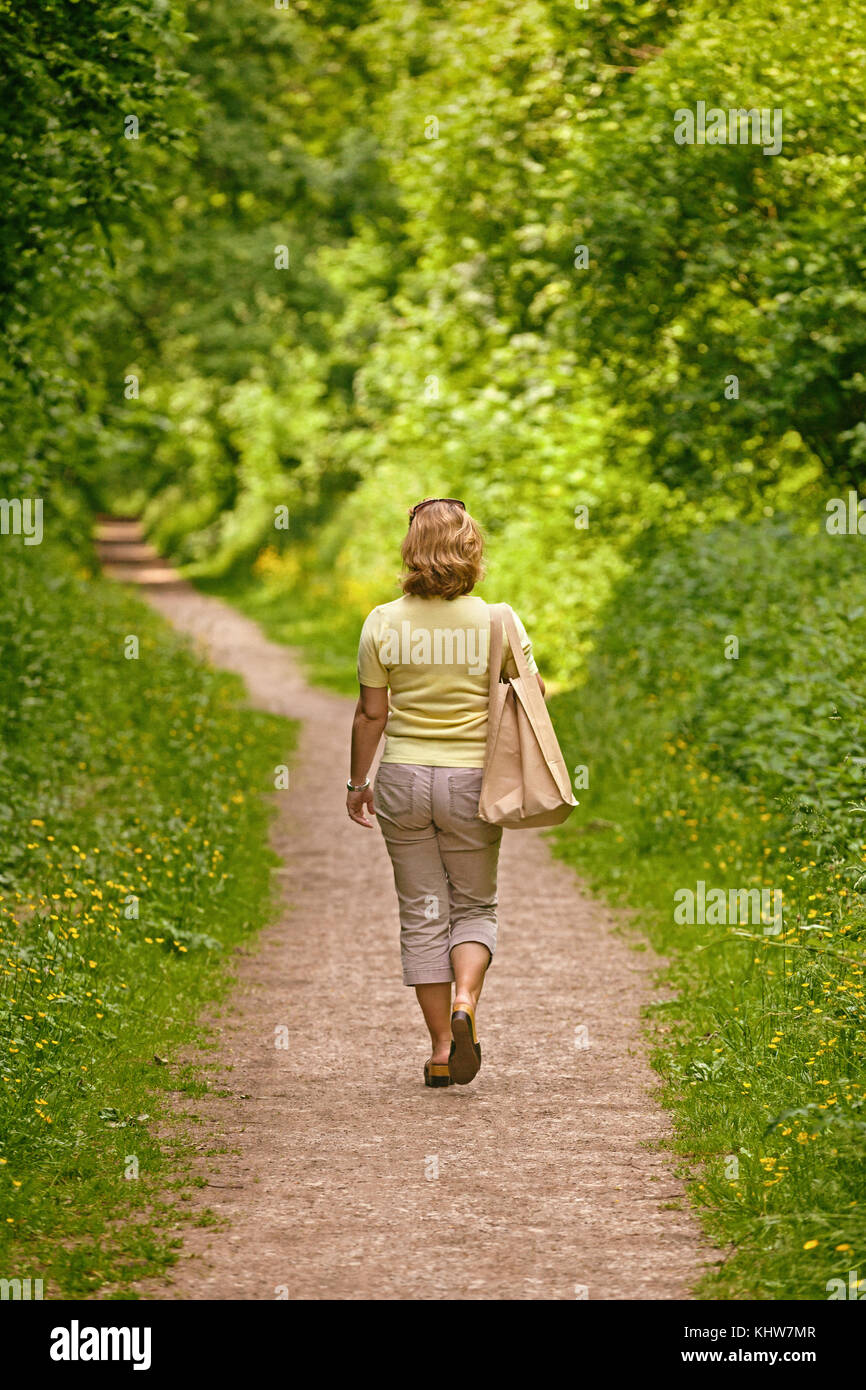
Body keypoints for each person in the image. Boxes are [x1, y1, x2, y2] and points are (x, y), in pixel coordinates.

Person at [346, 498, 545, 1088]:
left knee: (422, 913)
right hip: (470, 783)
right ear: (471, 549)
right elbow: (533, 701)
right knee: (474, 908)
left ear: (410, 550)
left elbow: (370, 714)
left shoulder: (382, 620)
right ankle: (465, 1001)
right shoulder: (499, 620)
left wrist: (359, 783)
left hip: (403, 780)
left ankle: (439, 1049)